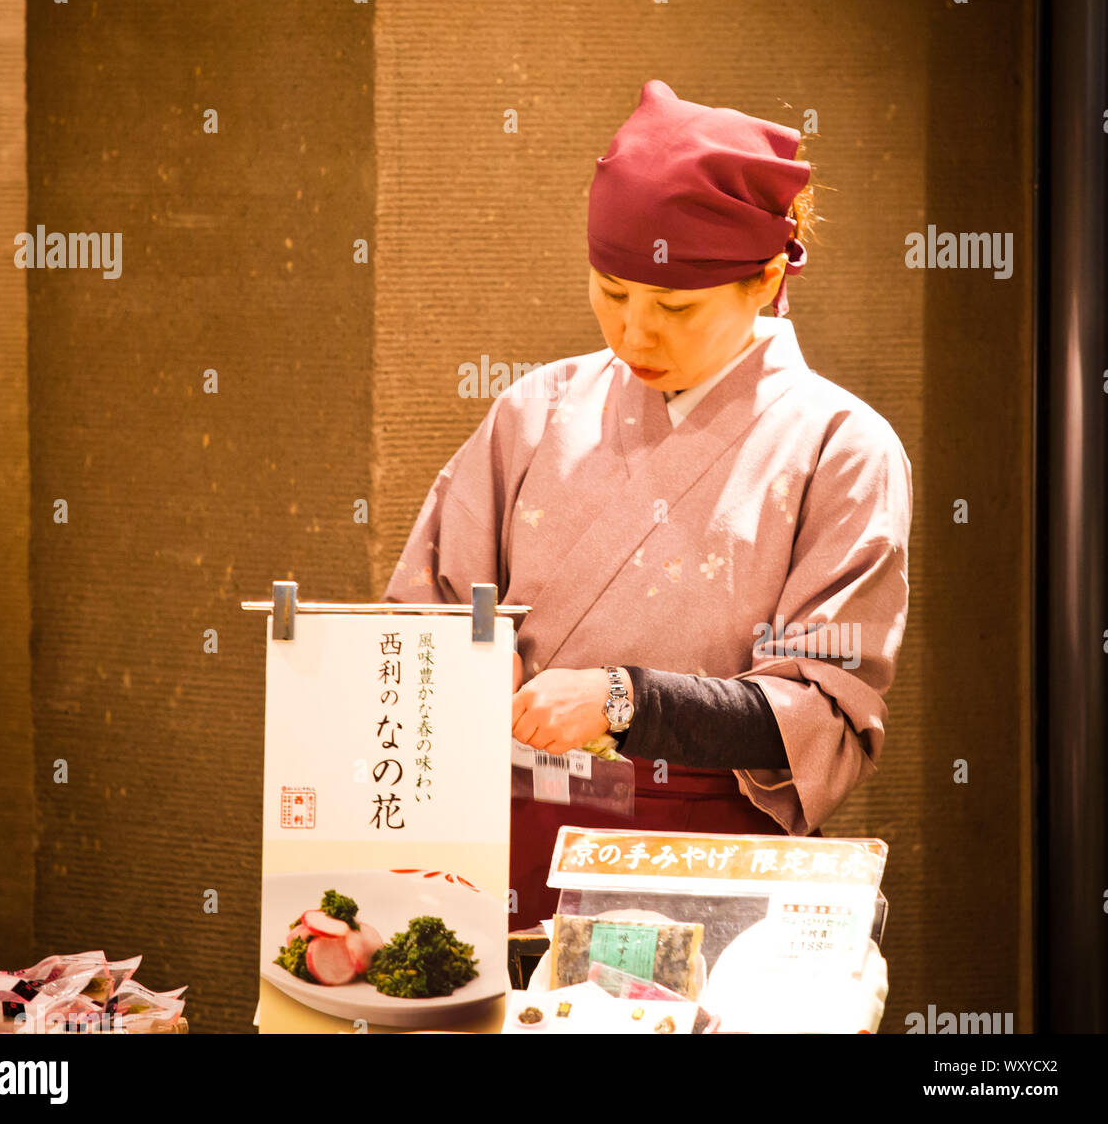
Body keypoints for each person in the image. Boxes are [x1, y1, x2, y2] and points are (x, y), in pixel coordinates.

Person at [382, 79, 912, 931]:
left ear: (766, 276)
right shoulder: (533, 411)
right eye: (610, 290)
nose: (632, 334)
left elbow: (825, 714)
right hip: (497, 843)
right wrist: (466, 669)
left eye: (673, 305)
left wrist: (624, 700)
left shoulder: (840, 447)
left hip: (708, 862)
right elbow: (420, 622)